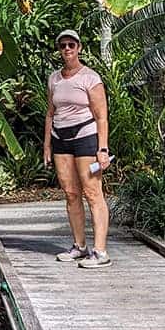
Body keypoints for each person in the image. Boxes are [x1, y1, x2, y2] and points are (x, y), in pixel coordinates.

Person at [43, 29, 111, 268]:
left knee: (92, 192)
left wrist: (102, 149)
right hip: (61, 137)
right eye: (63, 46)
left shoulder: (90, 78)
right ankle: (79, 246)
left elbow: (101, 116)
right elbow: (50, 113)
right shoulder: (55, 78)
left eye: (71, 45)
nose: (67, 49)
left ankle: (100, 251)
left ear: (79, 47)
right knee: (71, 193)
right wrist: (47, 146)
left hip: (85, 135)